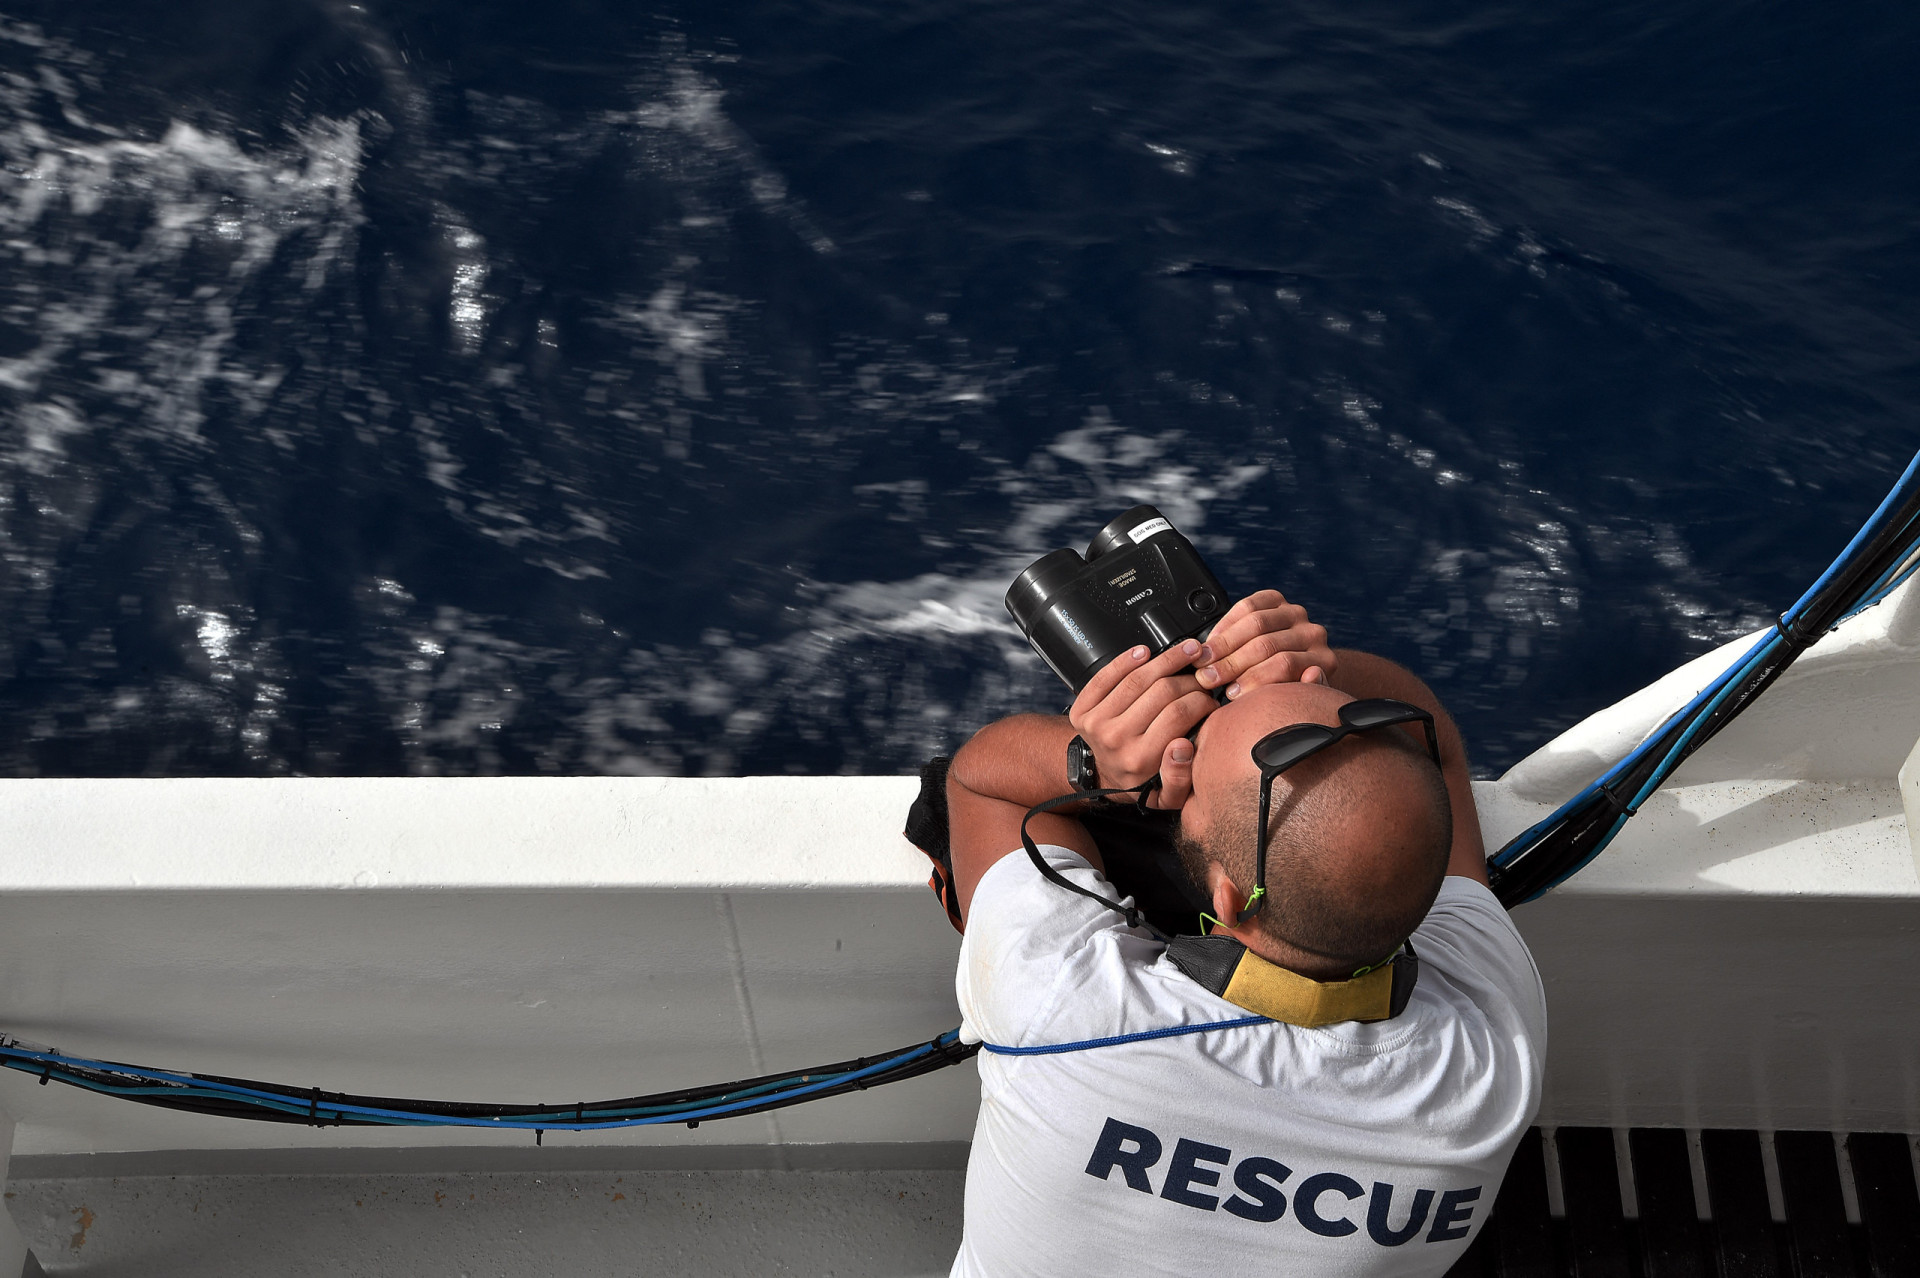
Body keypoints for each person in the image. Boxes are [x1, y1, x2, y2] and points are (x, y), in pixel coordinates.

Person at [938, 590, 1546, 1277]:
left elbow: (979, 783)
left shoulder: (1060, 1010)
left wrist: (1099, 769)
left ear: (1229, 897)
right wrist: (1308, 676)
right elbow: (1438, 758)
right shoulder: (1494, 1057)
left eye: (1192, 781)